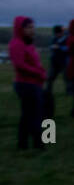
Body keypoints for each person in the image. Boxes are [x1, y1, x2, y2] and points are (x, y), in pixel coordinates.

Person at [9, 16, 46, 150]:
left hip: (34, 83)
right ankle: (38, 143)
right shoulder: (16, 44)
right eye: (28, 27)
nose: (32, 30)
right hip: (26, 84)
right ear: (20, 28)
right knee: (34, 114)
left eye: (33, 27)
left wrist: (41, 71)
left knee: (28, 115)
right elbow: (20, 65)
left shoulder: (28, 43)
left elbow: (34, 61)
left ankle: (23, 144)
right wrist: (39, 73)